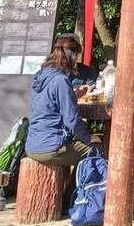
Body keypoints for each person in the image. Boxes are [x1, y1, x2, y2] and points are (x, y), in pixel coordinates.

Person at [26, 40, 97, 171]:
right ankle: (76, 191)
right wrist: (88, 138)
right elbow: (72, 120)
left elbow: (48, 104)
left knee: (82, 148)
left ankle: (71, 189)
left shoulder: (42, 76)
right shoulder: (61, 80)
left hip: (33, 143)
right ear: (73, 56)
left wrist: (73, 95)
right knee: (96, 151)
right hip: (52, 146)